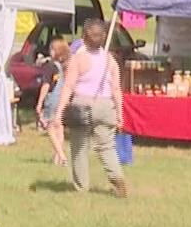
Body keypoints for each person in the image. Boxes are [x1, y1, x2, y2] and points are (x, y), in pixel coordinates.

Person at [52, 18, 128, 196]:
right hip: (106, 106)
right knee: (106, 146)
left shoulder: (78, 60)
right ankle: (116, 176)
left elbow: (68, 87)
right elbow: (117, 89)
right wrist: (119, 113)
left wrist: (58, 114)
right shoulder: (110, 60)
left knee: (79, 147)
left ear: (83, 37)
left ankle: (81, 187)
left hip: (81, 105)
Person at [35, 36, 71, 166]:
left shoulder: (50, 66)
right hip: (62, 99)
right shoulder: (64, 67)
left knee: (50, 127)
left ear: (55, 51)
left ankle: (61, 156)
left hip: (52, 99)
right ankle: (57, 158)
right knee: (59, 127)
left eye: (51, 49)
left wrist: (40, 103)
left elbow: (46, 85)